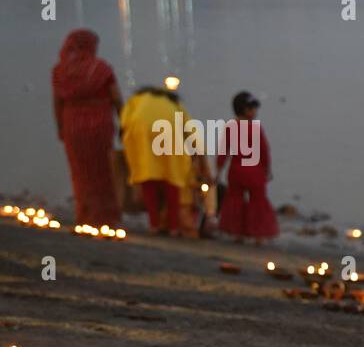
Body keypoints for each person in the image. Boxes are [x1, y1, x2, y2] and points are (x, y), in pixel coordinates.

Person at [51, 28, 122, 226]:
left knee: (80, 172)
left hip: (72, 125)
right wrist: (125, 124)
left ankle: (85, 216)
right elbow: (117, 99)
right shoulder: (101, 69)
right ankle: (106, 218)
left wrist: (60, 128)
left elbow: (57, 103)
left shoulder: (60, 71)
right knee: (102, 171)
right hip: (99, 124)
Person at [119, 85, 207, 237]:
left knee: (149, 182)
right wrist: (200, 155)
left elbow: (124, 123)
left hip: (142, 137)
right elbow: (190, 130)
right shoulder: (173, 104)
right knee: (172, 183)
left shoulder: (136, 100)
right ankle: (173, 227)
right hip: (169, 137)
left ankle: (154, 225)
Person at [216, 91, 278, 244]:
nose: (255, 112)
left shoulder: (231, 127)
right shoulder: (255, 128)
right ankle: (258, 235)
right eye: (253, 109)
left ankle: (237, 233)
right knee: (257, 202)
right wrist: (267, 169)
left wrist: (218, 169)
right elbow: (264, 151)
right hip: (254, 171)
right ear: (246, 110)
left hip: (236, 170)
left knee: (235, 200)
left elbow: (224, 152)